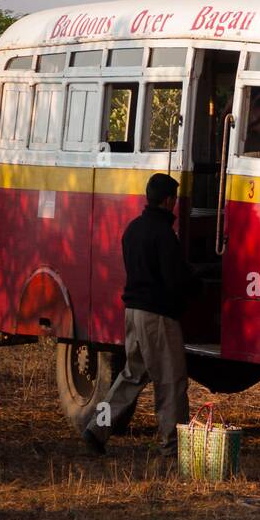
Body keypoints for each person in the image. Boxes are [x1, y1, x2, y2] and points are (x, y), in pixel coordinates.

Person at [82, 173, 200, 460]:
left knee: (131, 376)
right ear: (169, 200)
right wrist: (196, 285)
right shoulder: (164, 235)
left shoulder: (133, 229)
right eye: (174, 199)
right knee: (171, 381)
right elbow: (173, 279)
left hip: (132, 314)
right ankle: (172, 447)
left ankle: (97, 428)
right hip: (157, 317)